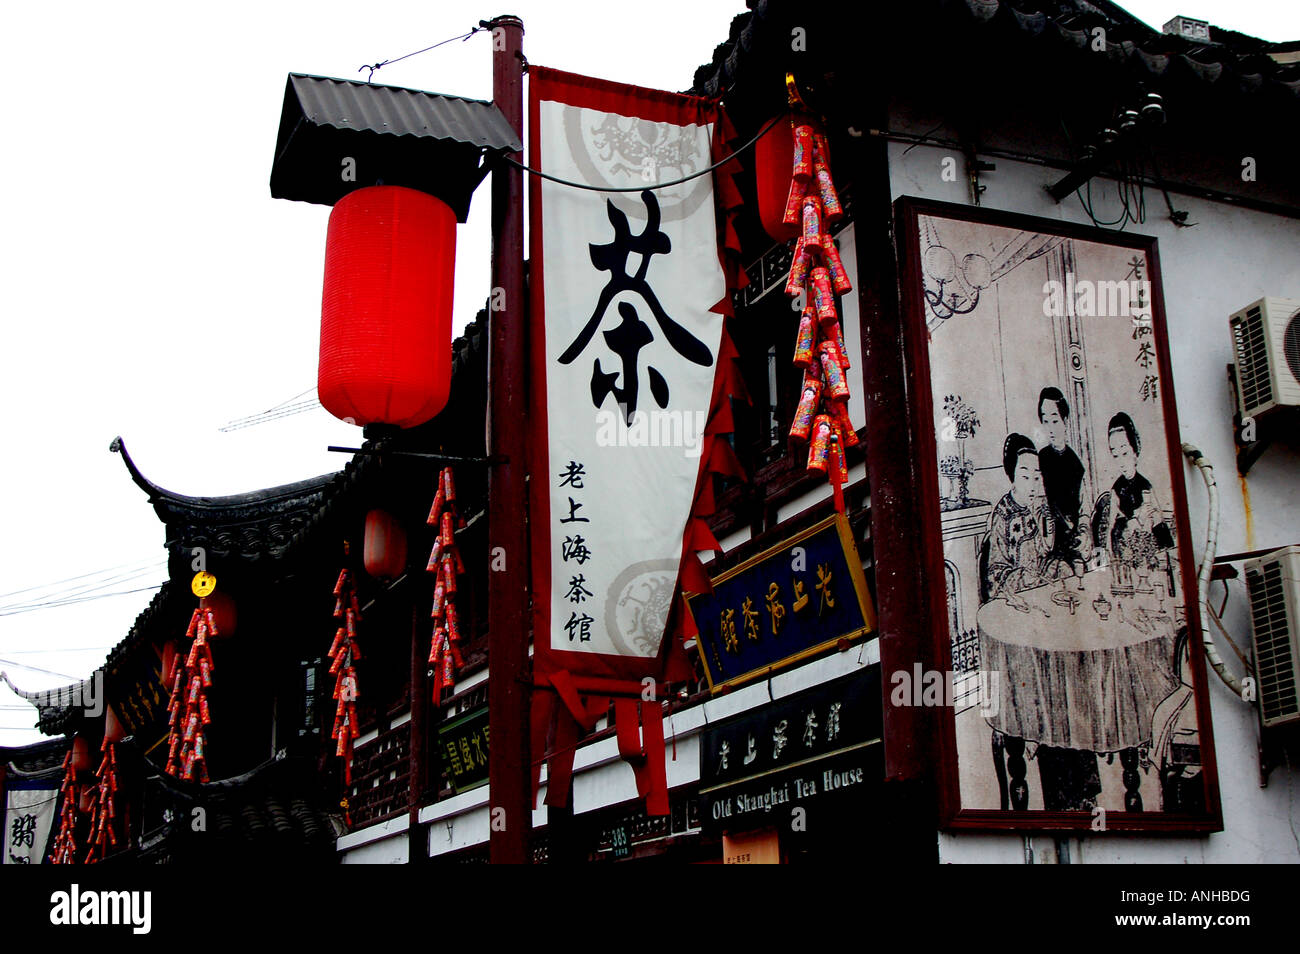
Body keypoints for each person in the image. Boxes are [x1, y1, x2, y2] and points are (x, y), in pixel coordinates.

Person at [983, 433, 1059, 609]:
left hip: (1036, 594)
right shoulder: (1002, 515)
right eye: (1025, 478)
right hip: (1014, 602)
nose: (1032, 486)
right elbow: (995, 575)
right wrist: (1022, 577)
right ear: (1013, 476)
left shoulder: (1032, 508)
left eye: (1036, 478)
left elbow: (1042, 554)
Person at [1092, 412, 1175, 567]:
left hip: (1146, 553)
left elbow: (1159, 526)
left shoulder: (1146, 487)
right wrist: (1103, 565)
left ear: (1135, 451)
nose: (1121, 463)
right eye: (1116, 456)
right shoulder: (1116, 489)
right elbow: (1109, 529)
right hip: (1124, 555)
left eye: (1125, 453)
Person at [1036, 387, 1086, 566]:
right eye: (1045, 420)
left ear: (1065, 421)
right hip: (1042, 541)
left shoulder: (1076, 465)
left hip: (1070, 544)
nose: (1050, 427)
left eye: (1055, 420)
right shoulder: (1039, 459)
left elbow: (1082, 511)